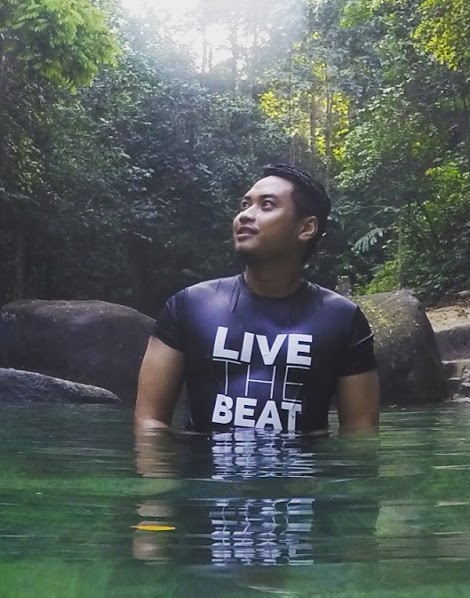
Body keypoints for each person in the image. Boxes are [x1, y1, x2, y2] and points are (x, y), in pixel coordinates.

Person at [134, 164, 380, 437]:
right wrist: (162, 478)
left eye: (266, 205)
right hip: (203, 477)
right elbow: (150, 424)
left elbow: (360, 434)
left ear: (306, 227)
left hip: (301, 477)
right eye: (244, 205)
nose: (245, 216)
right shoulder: (189, 305)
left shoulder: (342, 319)